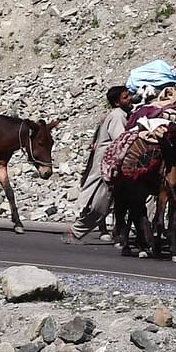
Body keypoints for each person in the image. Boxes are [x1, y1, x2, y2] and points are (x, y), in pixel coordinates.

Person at [69, 85, 133, 241]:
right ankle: (77, 230)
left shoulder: (123, 113)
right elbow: (122, 140)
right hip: (107, 163)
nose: (130, 98)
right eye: (126, 97)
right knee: (101, 199)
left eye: (129, 95)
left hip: (110, 161)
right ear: (117, 103)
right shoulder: (118, 115)